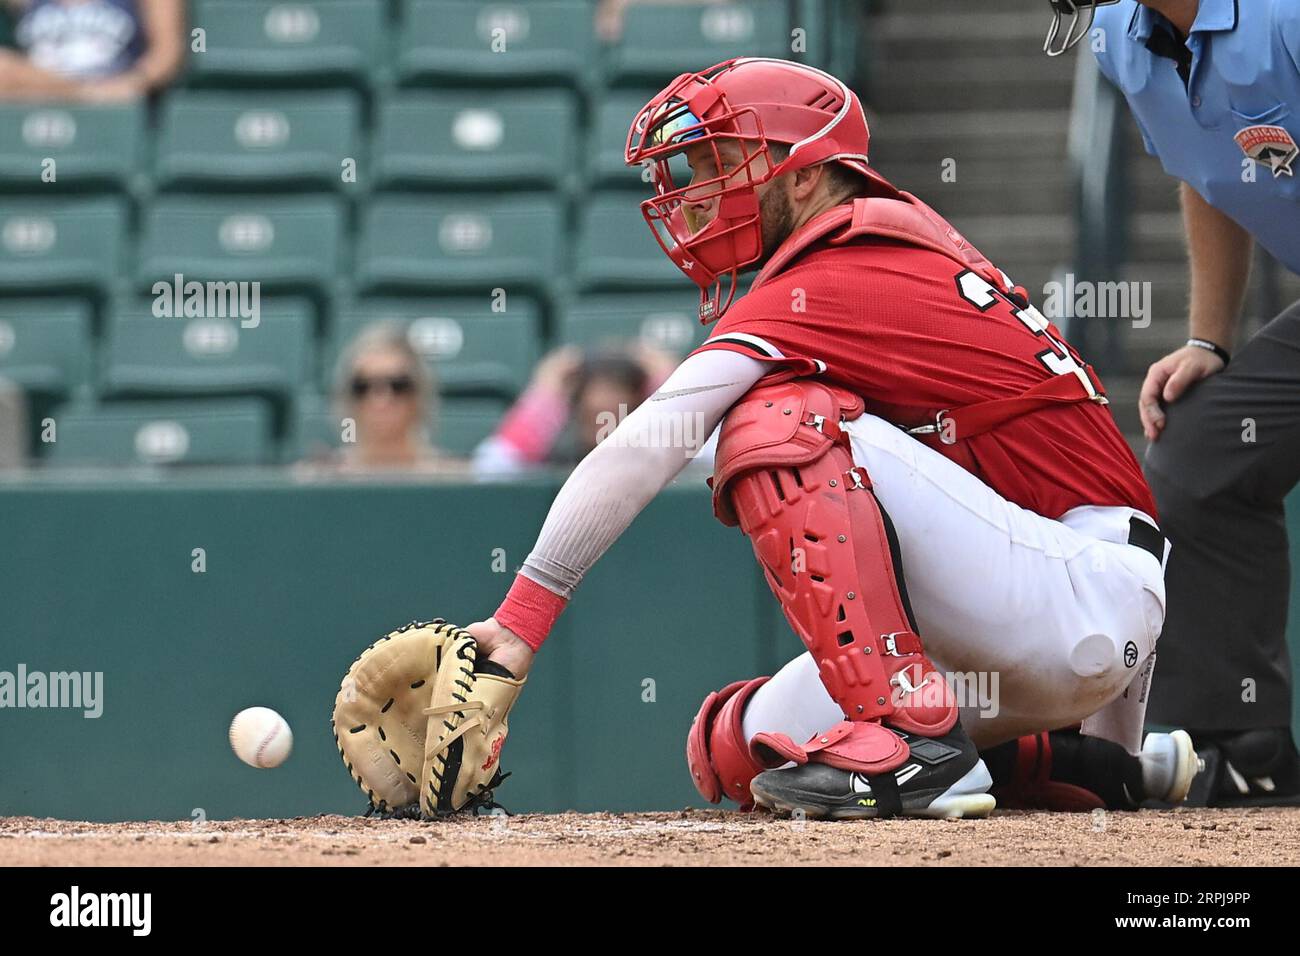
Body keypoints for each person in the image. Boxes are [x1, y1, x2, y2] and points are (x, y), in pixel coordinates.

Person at [463, 57, 1200, 819]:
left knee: (773, 420)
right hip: (1061, 608)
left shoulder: (843, 261)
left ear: (807, 175)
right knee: (732, 747)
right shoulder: (883, 243)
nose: (702, 192)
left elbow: (656, 435)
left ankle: (913, 738)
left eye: (724, 161)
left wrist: (521, 622)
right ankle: (1087, 766)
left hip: (1076, 593)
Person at [1049, 0, 1300, 806]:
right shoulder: (1124, 41)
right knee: (1198, 456)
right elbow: (1206, 169)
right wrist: (1209, 340)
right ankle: (1247, 747)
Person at [472, 343, 680, 476]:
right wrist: (545, 395)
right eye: (592, 411)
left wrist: (669, 384)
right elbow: (489, 468)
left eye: (616, 397)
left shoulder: (662, 459)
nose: (601, 405)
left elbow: (706, 458)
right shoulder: (556, 461)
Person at [301, 323, 467, 476]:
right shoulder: (320, 480)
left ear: (418, 393)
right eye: (363, 387)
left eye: (397, 385)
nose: (380, 400)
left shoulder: (453, 479)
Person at [0, 0, 184, 102]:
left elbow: (167, 53)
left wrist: (134, 83)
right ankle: (83, 94)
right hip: (38, 93)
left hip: (116, 92)